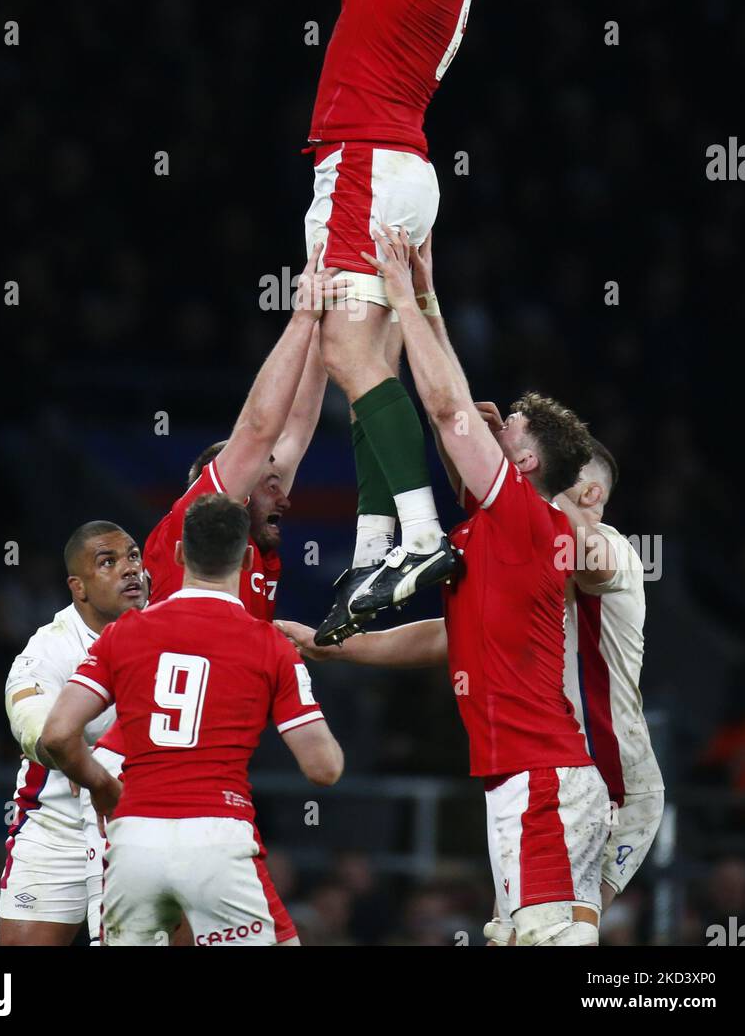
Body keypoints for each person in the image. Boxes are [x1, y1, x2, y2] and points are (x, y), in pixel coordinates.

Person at [281, 224, 609, 946]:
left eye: (508, 432)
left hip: (539, 784)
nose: (492, 424)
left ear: (522, 469)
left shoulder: (526, 521)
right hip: (542, 781)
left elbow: (450, 410)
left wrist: (404, 292)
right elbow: (444, 635)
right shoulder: (490, 537)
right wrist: (342, 650)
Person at [291, 0, 500, 638]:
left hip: (369, 162)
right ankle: (376, 546)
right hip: (389, 165)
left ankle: (417, 535)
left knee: (343, 351)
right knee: (361, 361)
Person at [90, 244, 338, 944]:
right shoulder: (187, 527)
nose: (281, 487)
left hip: (190, 780)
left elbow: (293, 429)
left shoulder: (252, 544)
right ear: (217, 491)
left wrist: (326, 333)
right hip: (148, 777)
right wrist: (304, 310)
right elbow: (261, 430)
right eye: (265, 479)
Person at [42, 494, 343, 947]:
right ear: (245, 559)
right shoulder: (269, 645)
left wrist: (103, 787)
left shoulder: (125, 631)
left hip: (134, 840)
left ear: (181, 553)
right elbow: (325, 769)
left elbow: (57, 734)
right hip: (217, 837)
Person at [0, 522, 148, 946]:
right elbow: (43, 735)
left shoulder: (168, 623)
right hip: (56, 827)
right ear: (78, 587)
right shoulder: (47, 652)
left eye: (134, 556)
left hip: (142, 824)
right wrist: (102, 783)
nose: (130, 569)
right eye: (109, 562)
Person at [556, 440, 665, 916]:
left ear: (589, 493)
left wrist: (545, 495)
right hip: (559, 766)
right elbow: (455, 634)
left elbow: (591, 564)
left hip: (612, 773)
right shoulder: (538, 552)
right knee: (521, 928)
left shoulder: (611, 546)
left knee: (562, 926)